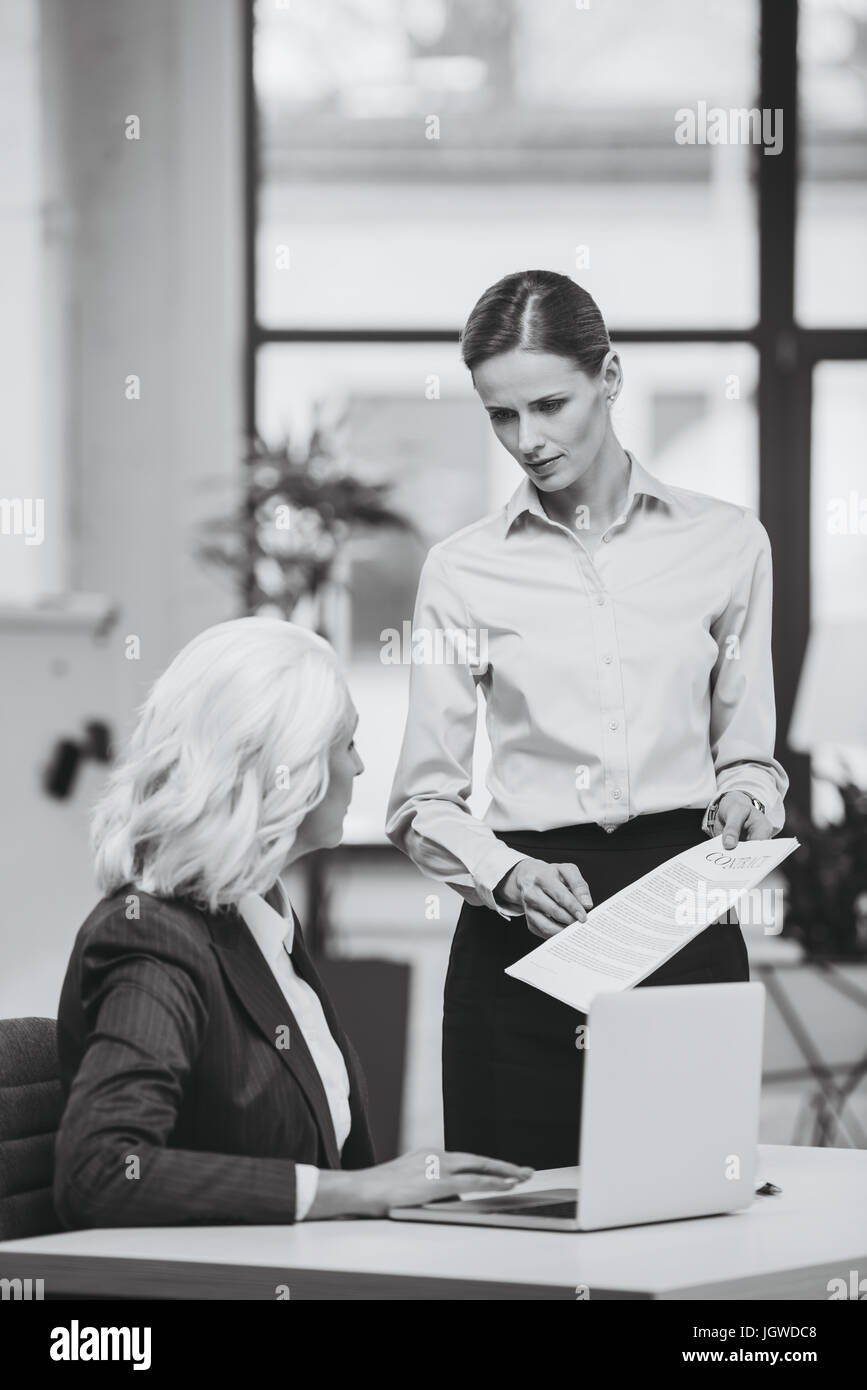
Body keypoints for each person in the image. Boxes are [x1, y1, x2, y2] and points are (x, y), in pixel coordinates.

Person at [385, 268, 789, 1169]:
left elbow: (748, 755)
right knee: (512, 1224)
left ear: (609, 376)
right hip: (521, 915)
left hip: (678, 910)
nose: (525, 440)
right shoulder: (461, 571)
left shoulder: (727, 544)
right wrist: (509, 876)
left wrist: (748, 796)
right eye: (500, 416)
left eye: (548, 404)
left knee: (687, 1216)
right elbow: (419, 802)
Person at [53, 617, 530, 1228]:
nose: (359, 767)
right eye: (347, 744)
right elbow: (100, 1172)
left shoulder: (261, 921)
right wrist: (358, 1192)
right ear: (290, 764)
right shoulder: (153, 934)